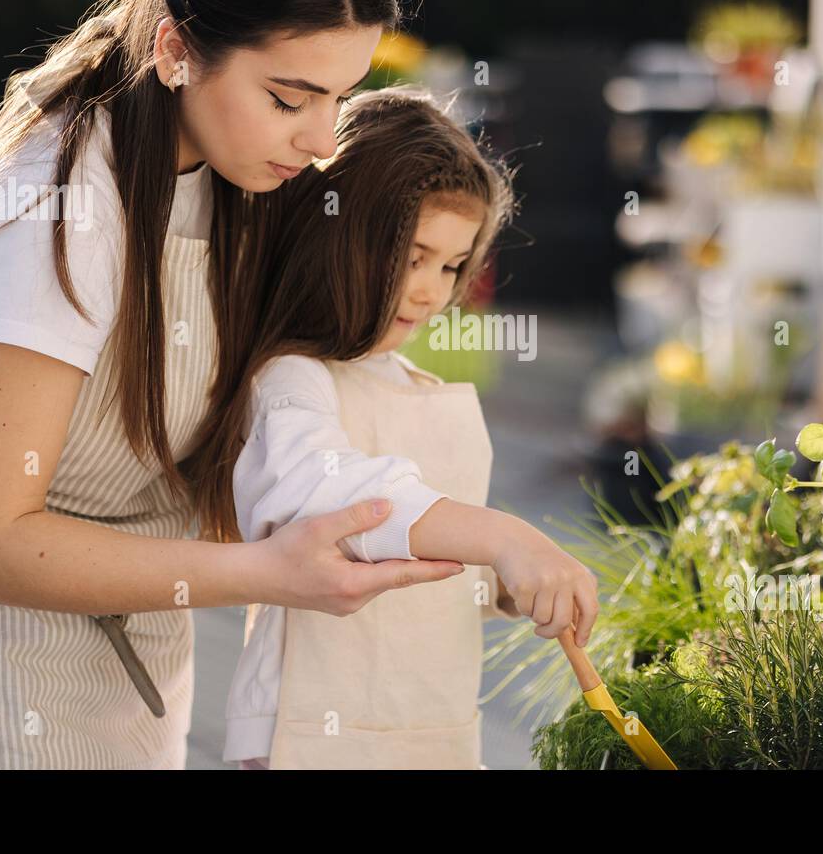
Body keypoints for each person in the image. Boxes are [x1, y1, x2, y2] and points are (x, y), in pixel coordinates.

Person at [0, 0, 476, 770]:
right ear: (174, 49)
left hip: (128, 693)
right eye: (289, 97)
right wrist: (268, 572)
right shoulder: (51, 209)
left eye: (340, 98)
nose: (322, 139)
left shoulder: (225, 172)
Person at [223, 88, 598, 769]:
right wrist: (506, 536)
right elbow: (336, 497)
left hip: (432, 728)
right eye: (414, 255)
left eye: (453, 265)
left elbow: (415, 571)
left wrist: (501, 583)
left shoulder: (408, 383)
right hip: (318, 736)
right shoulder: (292, 377)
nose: (432, 290)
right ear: (335, 234)